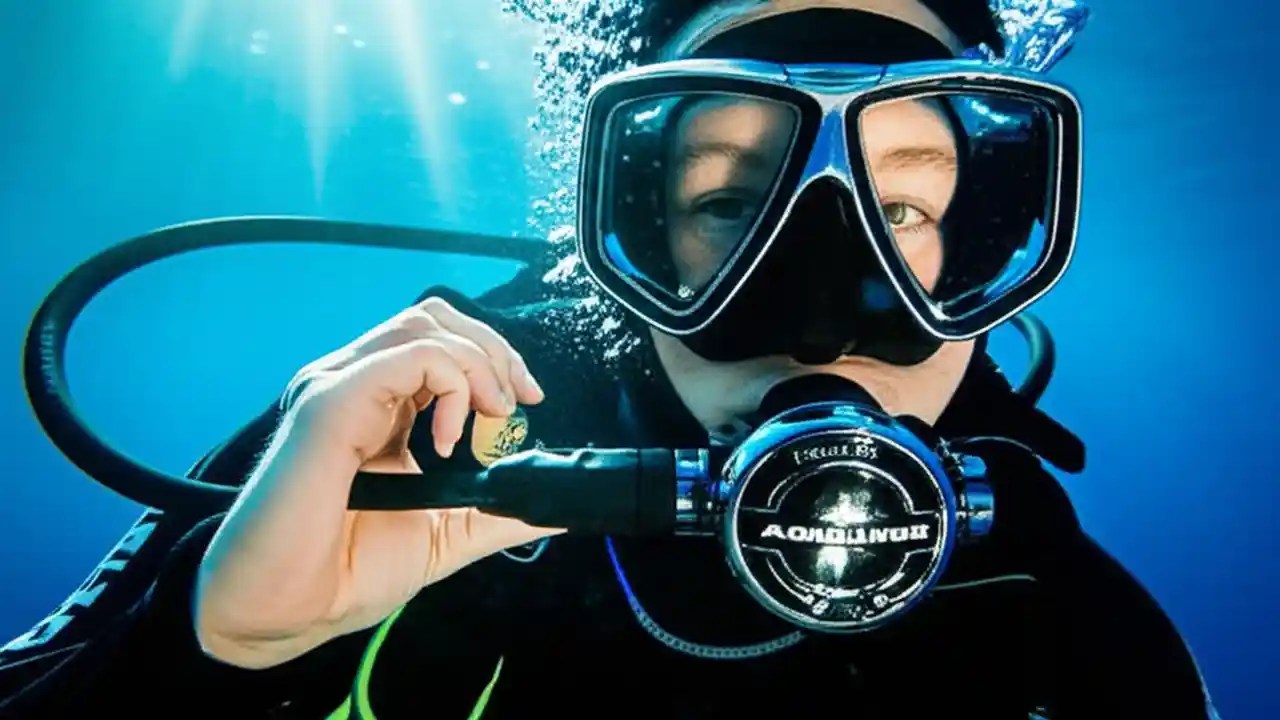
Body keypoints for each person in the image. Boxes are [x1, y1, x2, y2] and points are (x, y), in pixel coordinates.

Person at [0, 1, 1219, 717]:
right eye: (729, 205)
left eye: (901, 216)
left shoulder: (1056, 619)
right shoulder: (394, 452)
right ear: (627, 234)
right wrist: (207, 658)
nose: (820, 323)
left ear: (987, 245)